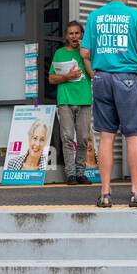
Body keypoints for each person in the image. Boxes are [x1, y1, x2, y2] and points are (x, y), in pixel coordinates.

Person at [82, 0, 137, 209]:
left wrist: (96, 73)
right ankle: (136, 192)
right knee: (133, 135)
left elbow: (85, 53)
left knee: (106, 136)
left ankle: (105, 193)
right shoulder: (136, 17)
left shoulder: (94, 17)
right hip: (128, 80)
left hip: (101, 78)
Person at [49, 21, 93, 185]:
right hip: (65, 100)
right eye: (71, 33)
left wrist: (85, 54)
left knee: (82, 138)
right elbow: (51, 78)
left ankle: (81, 172)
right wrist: (67, 77)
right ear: (66, 36)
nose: (74, 36)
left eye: (77, 33)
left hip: (84, 100)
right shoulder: (59, 53)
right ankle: (71, 174)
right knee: (67, 137)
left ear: (82, 34)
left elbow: (94, 74)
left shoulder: (88, 53)